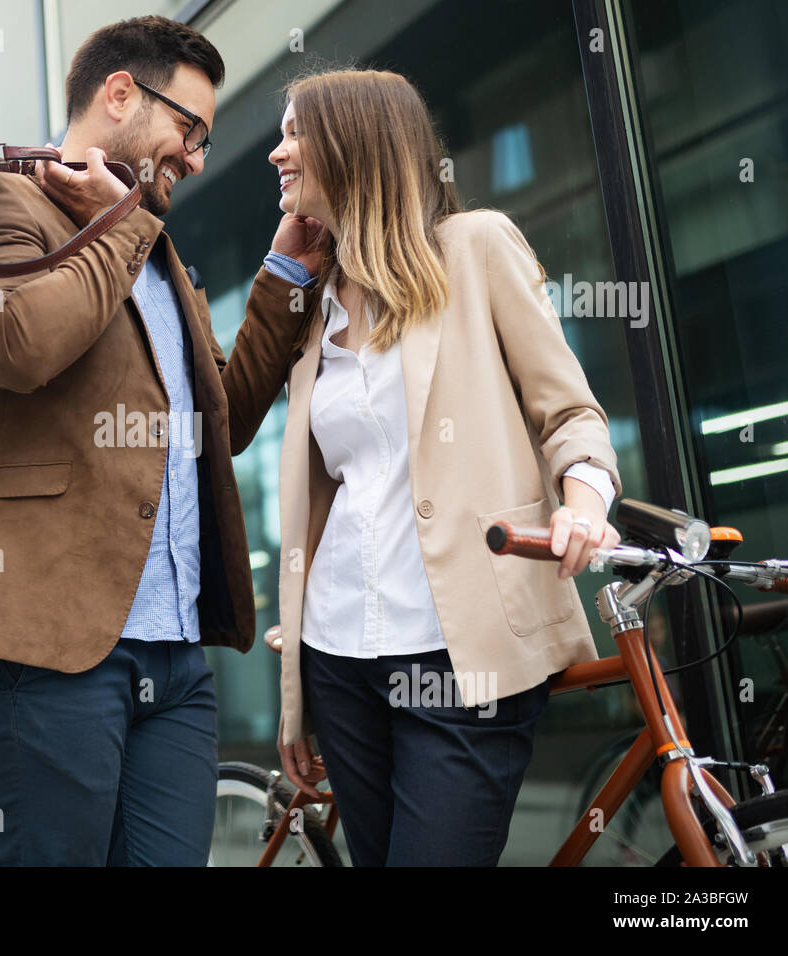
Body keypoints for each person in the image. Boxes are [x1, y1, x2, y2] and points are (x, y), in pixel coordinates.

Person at [0, 16, 314, 865]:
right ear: (121, 94)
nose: (198, 158)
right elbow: (20, 344)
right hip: (42, 644)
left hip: (172, 659)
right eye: (190, 130)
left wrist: (281, 276)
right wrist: (127, 226)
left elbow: (225, 421)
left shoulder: (154, 250)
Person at [253, 68, 623, 866]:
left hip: (464, 659)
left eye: (293, 132)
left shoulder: (474, 248)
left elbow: (571, 415)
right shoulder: (318, 306)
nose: (276, 151)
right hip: (338, 658)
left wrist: (583, 503)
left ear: (355, 142)